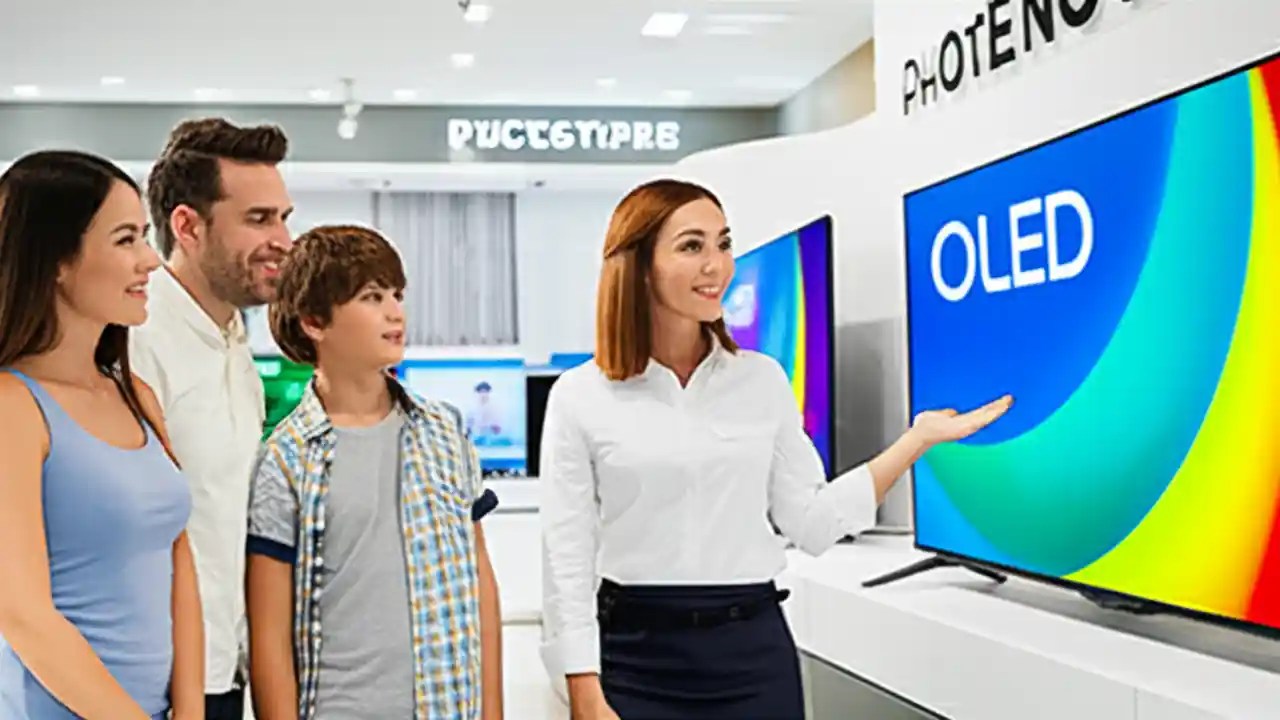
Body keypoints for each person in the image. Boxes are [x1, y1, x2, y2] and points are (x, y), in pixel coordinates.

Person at [539, 178, 1014, 720]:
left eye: (723, 243)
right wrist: (584, 692)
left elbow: (809, 522)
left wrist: (915, 442)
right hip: (633, 659)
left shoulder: (761, 380)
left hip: (752, 656)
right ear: (640, 264)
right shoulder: (580, 396)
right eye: (692, 246)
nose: (716, 265)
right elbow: (566, 562)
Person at [244, 225, 504, 720]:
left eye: (397, 294)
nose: (395, 311)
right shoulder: (286, 459)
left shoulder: (446, 431)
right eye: (371, 296)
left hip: (449, 707)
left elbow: (480, 583)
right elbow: (269, 634)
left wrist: (492, 712)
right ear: (315, 322)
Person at [0, 150, 203, 719]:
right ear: (57, 260)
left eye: (144, 235)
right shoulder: (12, 408)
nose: (151, 261)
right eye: (125, 239)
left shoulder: (136, 395)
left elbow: (177, 566)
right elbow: (22, 613)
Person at [128, 117, 294, 720]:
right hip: (156, 685)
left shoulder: (235, 345)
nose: (283, 239)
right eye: (259, 220)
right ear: (187, 226)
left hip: (223, 674)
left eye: (283, 217)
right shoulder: (136, 343)